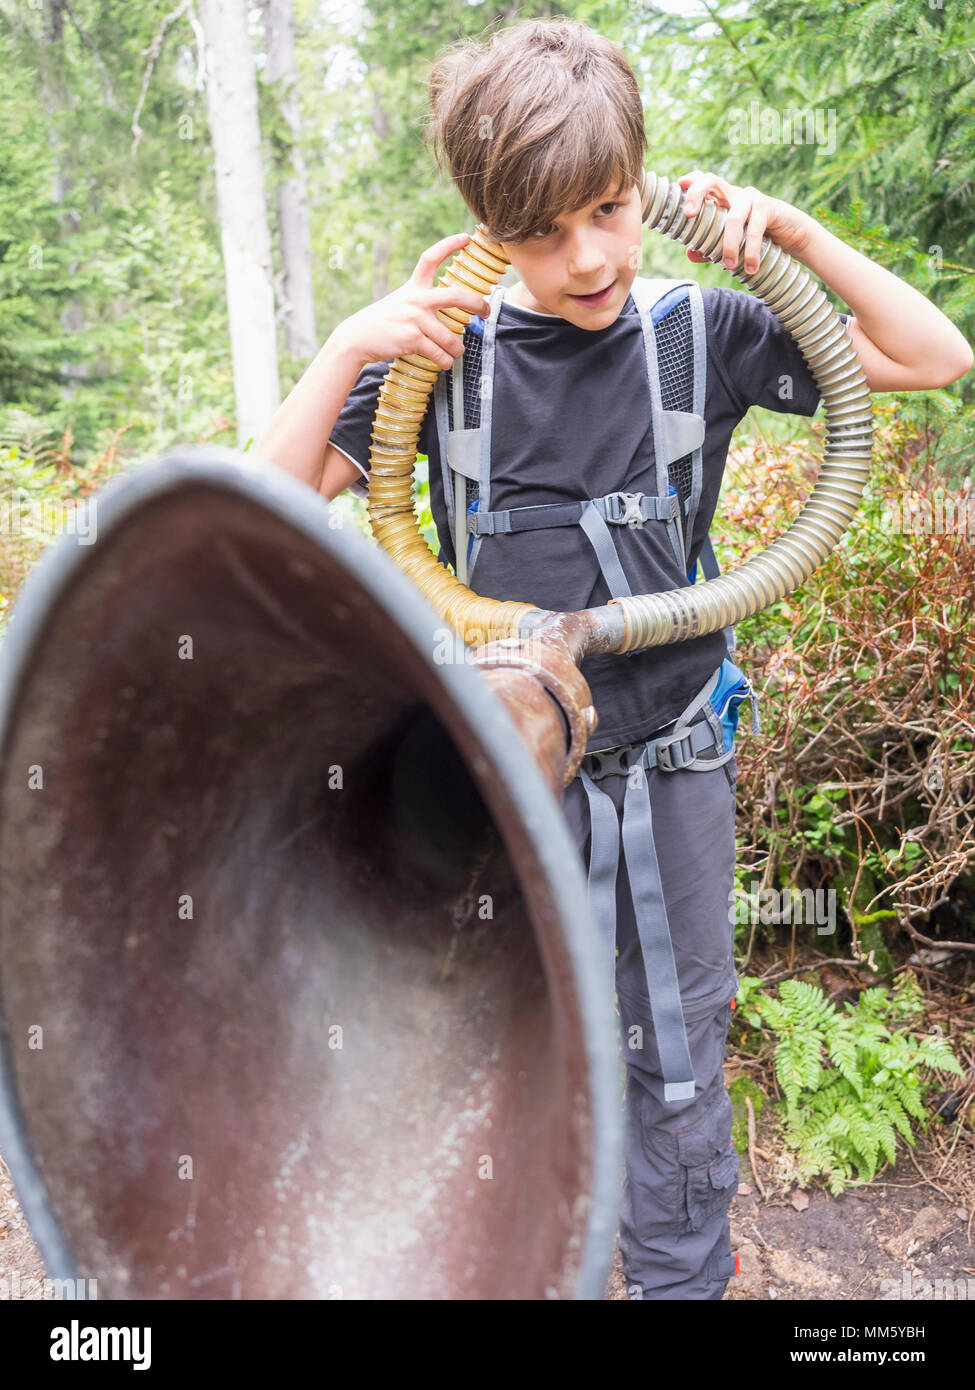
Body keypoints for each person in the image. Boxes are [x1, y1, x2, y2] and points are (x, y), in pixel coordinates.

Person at [256, 17, 973, 1299]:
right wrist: (351, 345)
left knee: (683, 1042)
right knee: (509, 1034)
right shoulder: (446, 360)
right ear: (485, 225)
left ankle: (683, 1277)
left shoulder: (699, 334)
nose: (585, 256)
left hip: (678, 762)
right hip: (504, 777)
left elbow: (933, 356)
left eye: (606, 209)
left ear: (639, 181)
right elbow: (272, 501)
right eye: (540, 232)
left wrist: (793, 242)